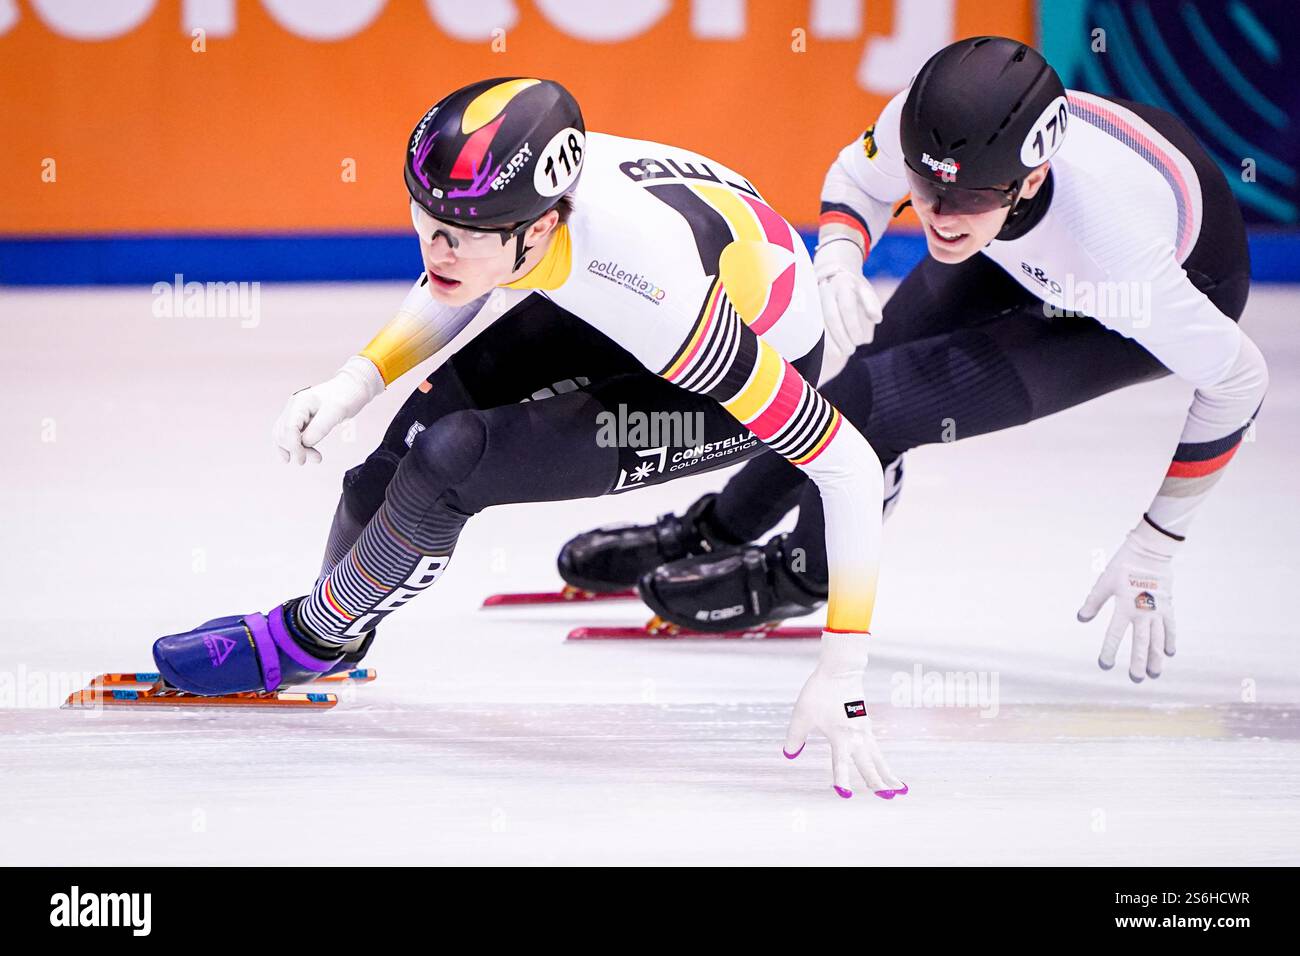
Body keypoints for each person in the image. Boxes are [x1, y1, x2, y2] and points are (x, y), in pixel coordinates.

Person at [150, 76, 907, 799]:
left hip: (722, 360)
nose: (434, 249)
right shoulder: (516, 210)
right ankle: (340, 624)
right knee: (382, 472)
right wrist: (354, 382)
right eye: (425, 220)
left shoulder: (658, 292)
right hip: (628, 298)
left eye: (460, 234)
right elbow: (459, 278)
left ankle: (307, 639)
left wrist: (843, 667)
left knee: (450, 460)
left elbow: (848, 464)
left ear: (542, 226)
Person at [559, 36, 1268, 684]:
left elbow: (1240, 380)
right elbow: (858, 181)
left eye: (968, 198)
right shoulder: (926, 126)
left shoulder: (1118, 251)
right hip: (1027, 242)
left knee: (876, 404)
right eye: (926, 190)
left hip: (1137, 304)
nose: (940, 216)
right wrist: (838, 261)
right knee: (843, 380)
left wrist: (1157, 541)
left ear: (1031, 177)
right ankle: (717, 529)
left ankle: (801, 577)